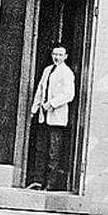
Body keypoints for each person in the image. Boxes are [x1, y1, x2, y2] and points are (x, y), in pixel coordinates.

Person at [27, 45, 75, 191]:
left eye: (60, 55)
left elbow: (69, 94)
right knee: (40, 149)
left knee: (53, 152)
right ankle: (38, 181)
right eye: (54, 54)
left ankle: (50, 183)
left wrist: (51, 104)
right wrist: (34, 109)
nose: (56, 57)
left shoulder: (67, 73)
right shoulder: (47, 70)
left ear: (65, 56)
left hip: (57, 119)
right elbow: (40, 90)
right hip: (43, 116)